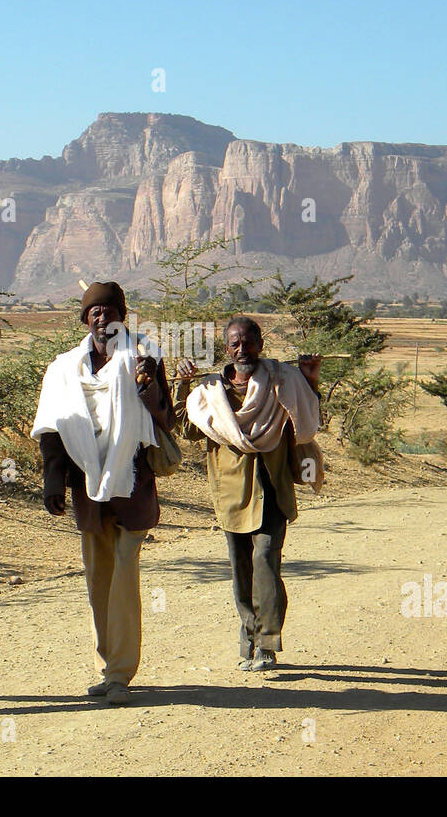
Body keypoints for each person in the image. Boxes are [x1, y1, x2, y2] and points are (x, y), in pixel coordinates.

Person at [31, 281, 174, 706]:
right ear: (85, 318)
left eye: (110, 309)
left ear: (122, 316)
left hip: (133, 480)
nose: (102, 316)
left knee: (124, 575)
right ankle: (105, 665)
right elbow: (54, 425)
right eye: (94, 310)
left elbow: (167, 418)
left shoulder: (146, 357)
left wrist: (147, 386)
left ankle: (119, 674)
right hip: (86, 484)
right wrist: (52, 481)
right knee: (98, 579)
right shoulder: (64, 367)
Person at [174, 317, 321, 671]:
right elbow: (185, 428)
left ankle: (267, 644)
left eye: (249, 342)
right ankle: (250, 637)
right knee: (241, 569)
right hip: (231, 494)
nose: (243, 350)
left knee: (266, 561)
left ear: (260, 344)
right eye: (235, 344)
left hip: (273, 488)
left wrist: (310, 380)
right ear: (227, 348)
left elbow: (308, 419)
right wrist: (181, 386)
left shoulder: (281, 382)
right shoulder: (210, 392)